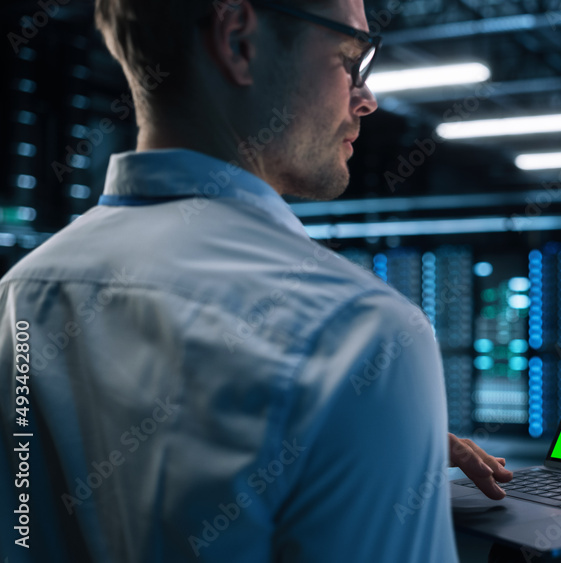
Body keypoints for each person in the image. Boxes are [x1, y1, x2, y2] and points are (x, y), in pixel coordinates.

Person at [0, 0, 512, 561]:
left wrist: (361, 445)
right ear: (239, 41)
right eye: (350, 59)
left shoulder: (22, 292)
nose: (366, 98)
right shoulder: (361, 333)